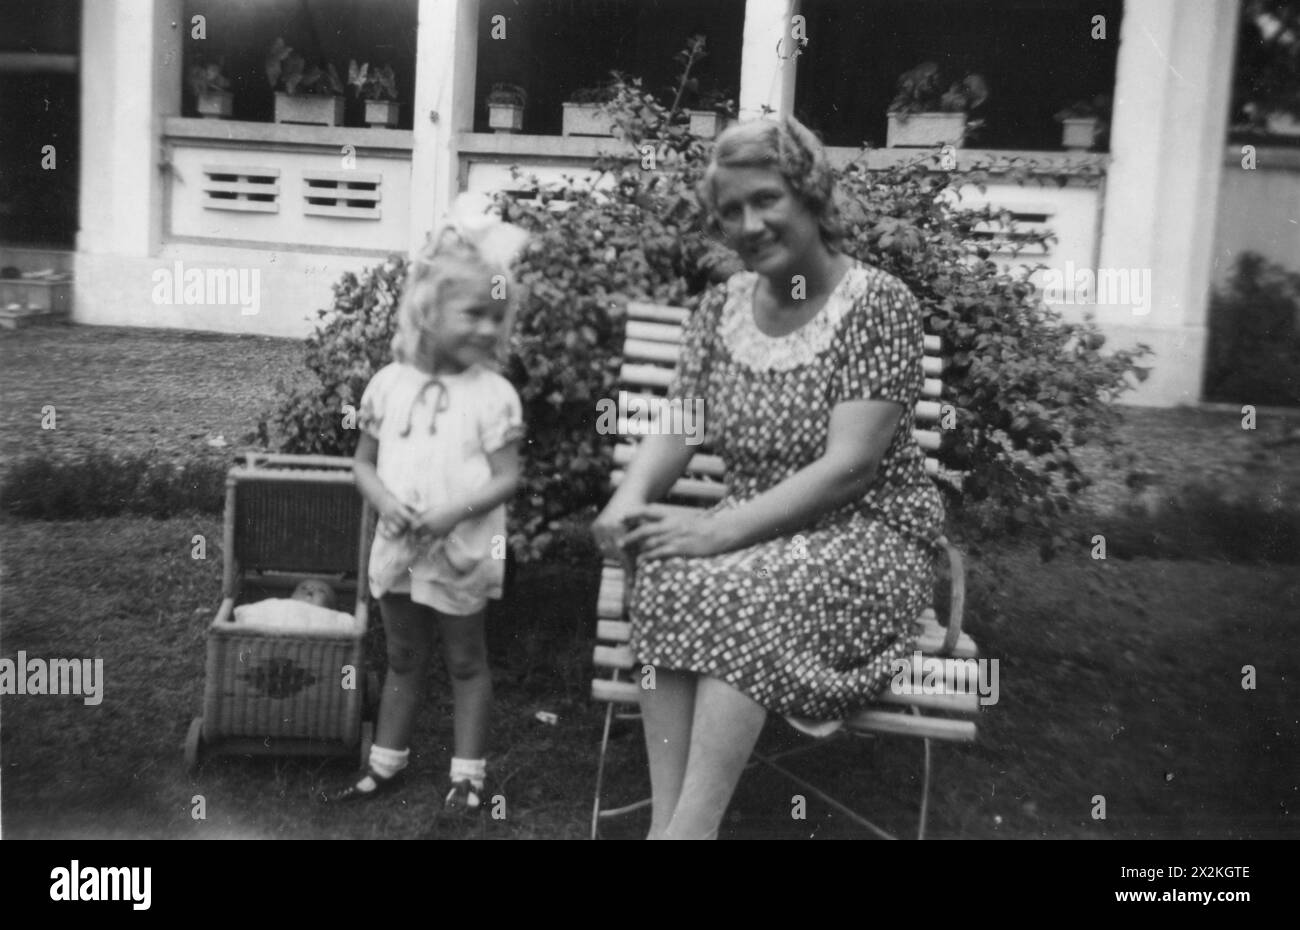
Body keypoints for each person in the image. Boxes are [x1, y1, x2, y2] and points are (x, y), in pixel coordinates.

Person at [591, 116, 946, 839]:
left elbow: (850, 470)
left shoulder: (878, 305)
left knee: (745, 584)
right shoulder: (721, 309)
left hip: (867, 538)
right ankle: (671, 824)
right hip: (760, 529)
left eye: (765, 200)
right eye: (729, 211)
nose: (748, 225)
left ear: (810, 194)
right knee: (662, 567)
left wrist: (716, 529)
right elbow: (683, 422)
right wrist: (629, 499)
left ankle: (689, 833)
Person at [327, 205, 527, 813]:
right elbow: (363, 462)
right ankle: (386, 763)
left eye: (499, 317)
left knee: (466, 661)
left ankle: (469, 777)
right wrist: (386, 502)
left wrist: (450, 512)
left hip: (460, 549)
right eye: (474, 314)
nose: (489, 329)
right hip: (399, 545)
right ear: (429, 311)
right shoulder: (389, 384)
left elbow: (508, 477)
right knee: (404, 656)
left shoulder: (494, 396)